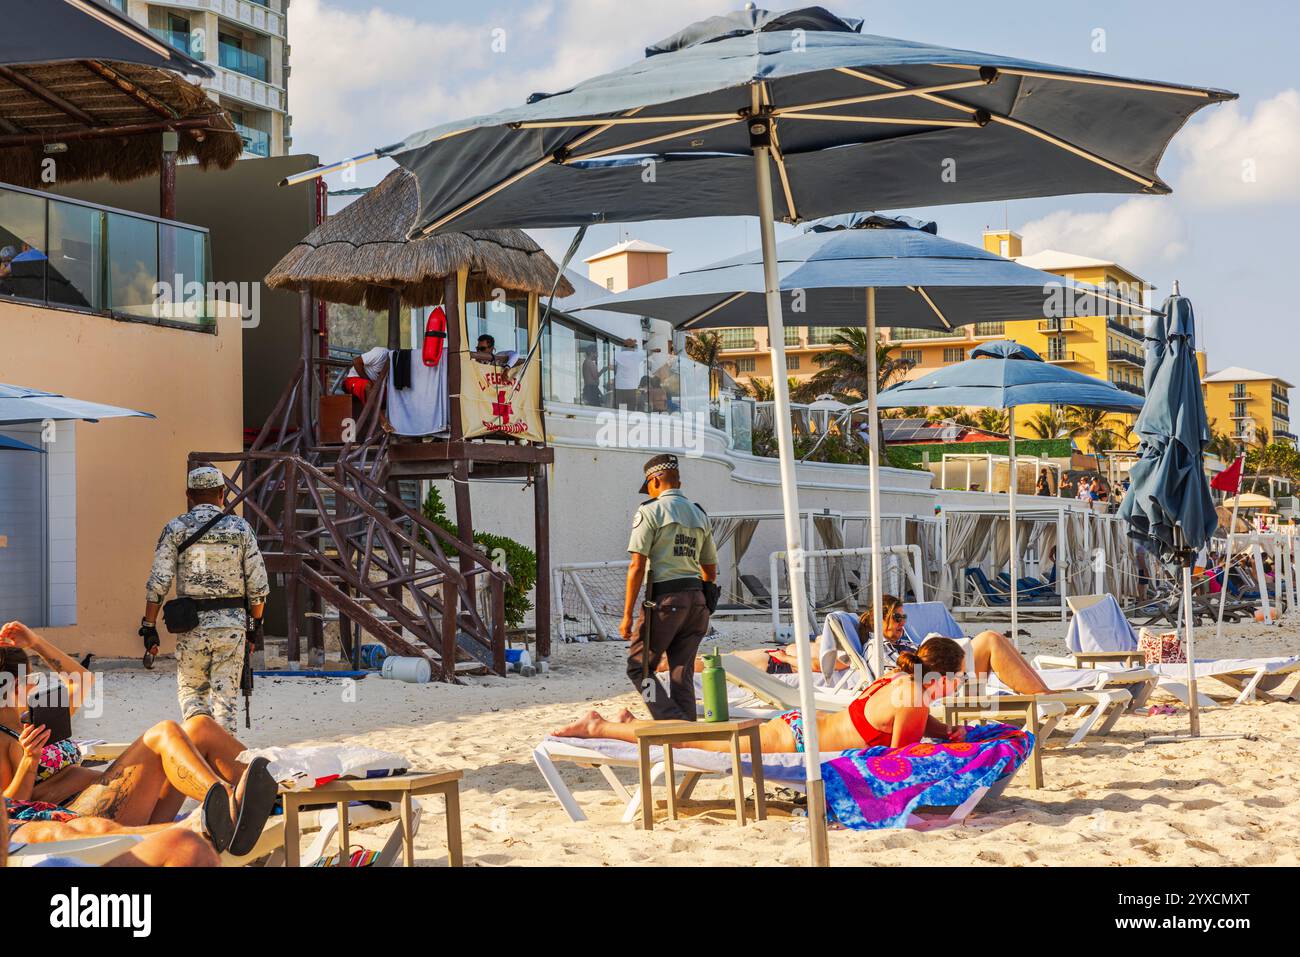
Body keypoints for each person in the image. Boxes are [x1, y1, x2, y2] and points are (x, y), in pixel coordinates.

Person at [1, 623, 276, 854]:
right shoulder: (3, 739)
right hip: (81, 818)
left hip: (118, 798)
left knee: (200, 727)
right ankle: (228, 806)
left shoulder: (35, 717)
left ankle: (277, 794)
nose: (33, 684)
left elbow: (82, 681)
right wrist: (30, 760)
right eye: (27, 679)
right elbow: (8, 812)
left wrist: (36, 642)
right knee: (163, 733)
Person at [557, 636, 969, 753]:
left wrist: (946, 732)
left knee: (700, 734)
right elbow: (901, 759)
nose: (962, 685)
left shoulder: (900, 683)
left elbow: (904, 723)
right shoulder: (914, 697)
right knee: (692, 739)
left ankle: (633, 724)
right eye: (961, 678)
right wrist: (950, 749)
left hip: (800, 729)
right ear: (943, 675)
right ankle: (602, 727)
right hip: (798, 739)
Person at [141, 466, 269, 730]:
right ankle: (225, 760)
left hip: (191, 627)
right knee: (225, 703)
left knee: (192, 696)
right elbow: (258, 589)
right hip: (232, 629)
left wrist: (149, 627)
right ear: (222, 493)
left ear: (189, 495)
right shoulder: (241, 529)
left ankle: (198, 755)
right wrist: (254, 631)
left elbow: (159, 583)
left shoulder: (175, 529)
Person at [622, 454, 718, 721]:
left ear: (654, 481)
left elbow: (637, 566)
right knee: (680, 673)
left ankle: (668, 718)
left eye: (649, 485)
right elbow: (710, 569)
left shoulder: (650, 511)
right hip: (697, 602)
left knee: (638, 669)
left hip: (665, 600)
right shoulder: (698, 513)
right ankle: (688, 733)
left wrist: (627, 614)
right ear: (679, 481)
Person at [855, 594, 1050, 695]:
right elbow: (894, 679)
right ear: (880, 620)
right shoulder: (876, 649)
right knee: (990, 639)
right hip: (935, 688)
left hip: (943, 679)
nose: (902, 622)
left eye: (904, 617)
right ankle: (1042, 695)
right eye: (897, 617)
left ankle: (1043, 691)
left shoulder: (903, 641)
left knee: (996, 638)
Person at [2, 799, 222, 867]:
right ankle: (202, 824)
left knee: (101, 828)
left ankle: (210, 820)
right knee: (184, 845)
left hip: (27, 808)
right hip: (21, 823)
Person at [613, 337, 647, 410]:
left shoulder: (618, 355)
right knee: (630, 409)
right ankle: (628, 420)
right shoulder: (636, 355)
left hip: (620, 387)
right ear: (633, 347)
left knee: (621, 409)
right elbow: (645, 353)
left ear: (624, 346)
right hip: (632, 387)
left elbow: (611, 366)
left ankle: (622, 420)